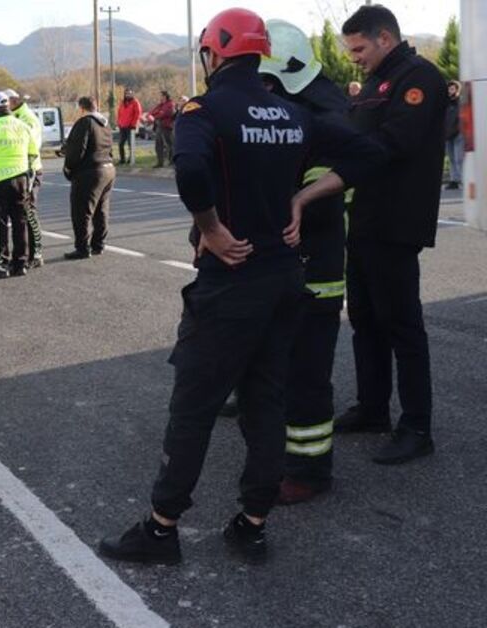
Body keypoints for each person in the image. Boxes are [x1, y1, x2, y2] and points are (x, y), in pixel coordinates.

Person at [98, 8, 381, 565]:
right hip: (283, 278)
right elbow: (368, 154)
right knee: (266, 400)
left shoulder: (206, 109)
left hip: (231, 279)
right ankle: (252, 523)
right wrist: (302, 198)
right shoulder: (290, 113)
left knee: (195, 406)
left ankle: (161, 529)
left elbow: (191, 170)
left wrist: (211, 228)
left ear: (214, 54)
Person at [331, 4, 446, 464]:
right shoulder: (375, 83)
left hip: (396, 223)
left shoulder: (419, 78)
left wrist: (335, 172)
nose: (354, 57)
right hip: (362, 222)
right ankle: (373, 407)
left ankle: (417, 427)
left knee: (402, 325)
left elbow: (392, 143)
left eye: (359, 48)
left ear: (384, 38)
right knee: (364, 320)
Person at [258, 18, 355, 504]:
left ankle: (310, 472)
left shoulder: (322, 117)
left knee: (306, 374)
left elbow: (318, 196)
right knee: (287, 367)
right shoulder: (315, 102)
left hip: (314, 269)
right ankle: (290, 455)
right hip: (300, 262)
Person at [0, 91, 38, 279]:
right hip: (20, 181)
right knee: (20, 223)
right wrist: (28, 179)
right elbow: (33, 154)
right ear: (8, 106)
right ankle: (21, 264)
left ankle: (2, 265)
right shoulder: (23, 126)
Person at [61, 96, 115, 260]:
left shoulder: (85, 122)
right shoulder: (105, 124)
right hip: (108, 169)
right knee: (101, 210)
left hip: (90, 171)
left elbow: (77, 150)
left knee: (81, 212)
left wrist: (69, 167)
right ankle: (98, 244)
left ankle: (82, 248)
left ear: (81, 108)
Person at [6, 89, 44, 268]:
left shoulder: (28, 119)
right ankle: (24, 252)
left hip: (30, 170)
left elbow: (32, 147)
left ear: (12, 102)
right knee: (19, 213)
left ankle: (36, 252)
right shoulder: (13, 117)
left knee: (29, 211)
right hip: (14, 171)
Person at [150, 91, 177, 167]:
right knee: (158, 144)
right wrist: (156, 114)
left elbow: (167, 113)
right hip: (159, 126)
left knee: (170, 144)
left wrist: (156, 116)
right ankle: (160, 162)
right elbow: (153, 112)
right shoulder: (160, 105)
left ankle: (172, 161)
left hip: (167, 127)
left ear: (165, 96)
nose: (160, 97)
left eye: (161, 96)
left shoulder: (170, 104)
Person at [116, 88, 142, 165]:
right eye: (127, 93)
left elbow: (138, 114)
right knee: (120, 144)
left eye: (130, 93)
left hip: (130, 126)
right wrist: (119, 122)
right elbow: (119, 113)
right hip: (122, 126)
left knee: (130, 144)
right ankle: (122, 159)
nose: (128, 95)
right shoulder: (122, 102)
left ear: (132, 94)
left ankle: (131, 159)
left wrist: (134, 124)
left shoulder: (135, 102)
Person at [445, 80, 463, 190]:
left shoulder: (460, 102)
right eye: (449, 89)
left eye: (452, 88)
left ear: (457, 90)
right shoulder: (446, 103)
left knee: (458, 158)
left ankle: (463, 180)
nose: (450, 91)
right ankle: (454, 180)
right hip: (447, 135)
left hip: (458, 134)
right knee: (451, 159)